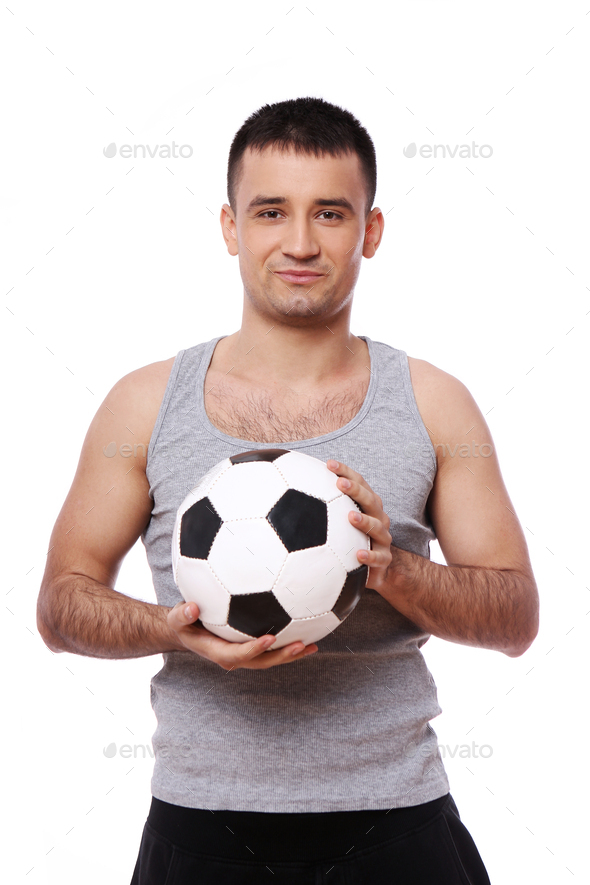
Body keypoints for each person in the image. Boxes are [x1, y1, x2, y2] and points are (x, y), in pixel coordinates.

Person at [37, 96, 539, 884]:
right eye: (271, 211)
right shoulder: (145, 403)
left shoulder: (435, 403)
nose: (300, 242)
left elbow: (515, 619)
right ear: (232, 227)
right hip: (201, 826)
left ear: (370, 231)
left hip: (396, 825)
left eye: (331, 214)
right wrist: (175, 629)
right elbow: (61, 607)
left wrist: (396, 566)